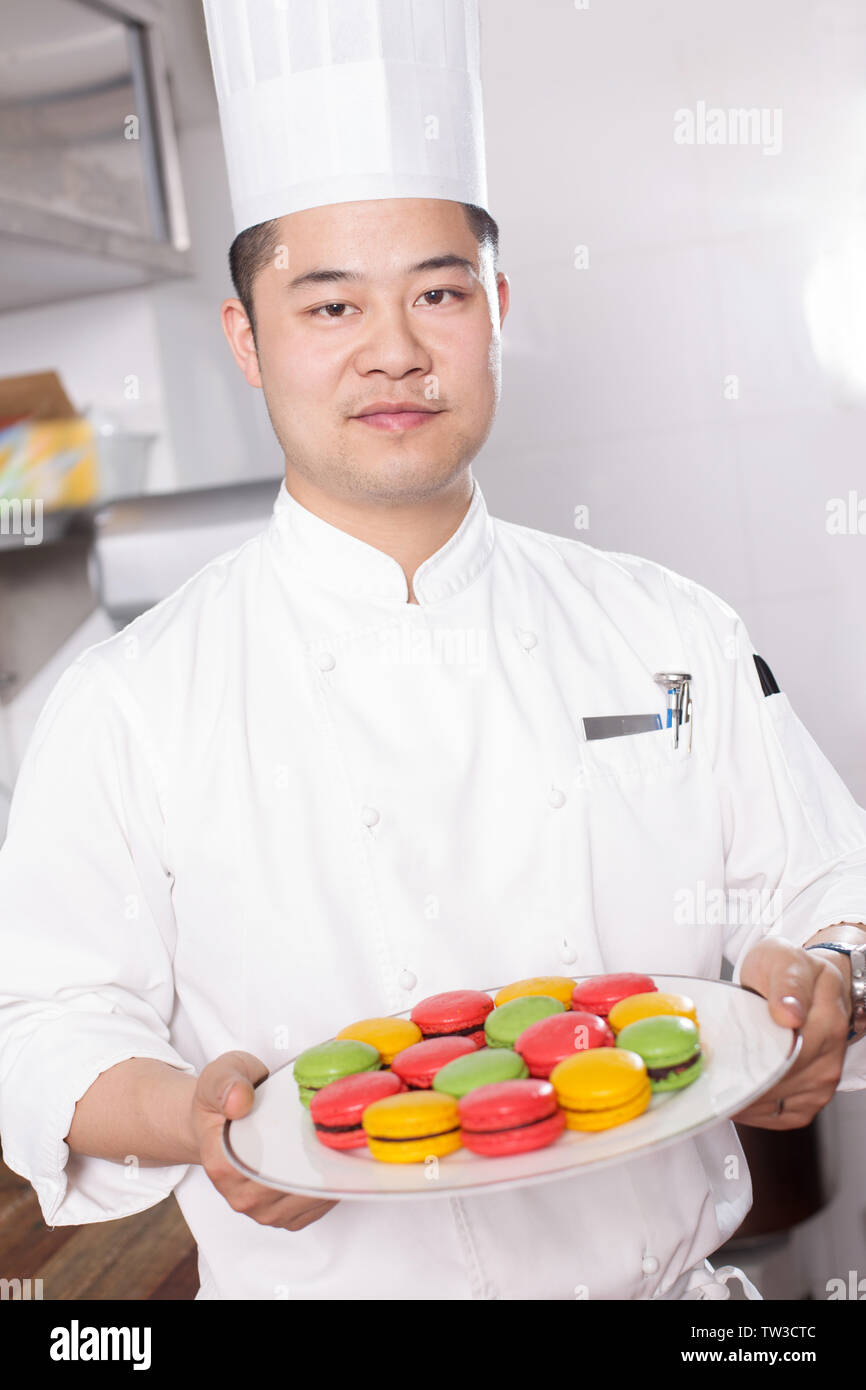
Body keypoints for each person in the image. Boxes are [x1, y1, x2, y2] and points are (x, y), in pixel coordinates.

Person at [1, 0, 866, 1301]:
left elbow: (822, 897)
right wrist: (193, 1114)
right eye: (329, 303)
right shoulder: (129, 702)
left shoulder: (670, 629)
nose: (393, 351)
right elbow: (45, 1031)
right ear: (247, 340)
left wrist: (824, 981)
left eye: (439, 292)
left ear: (497, 310)